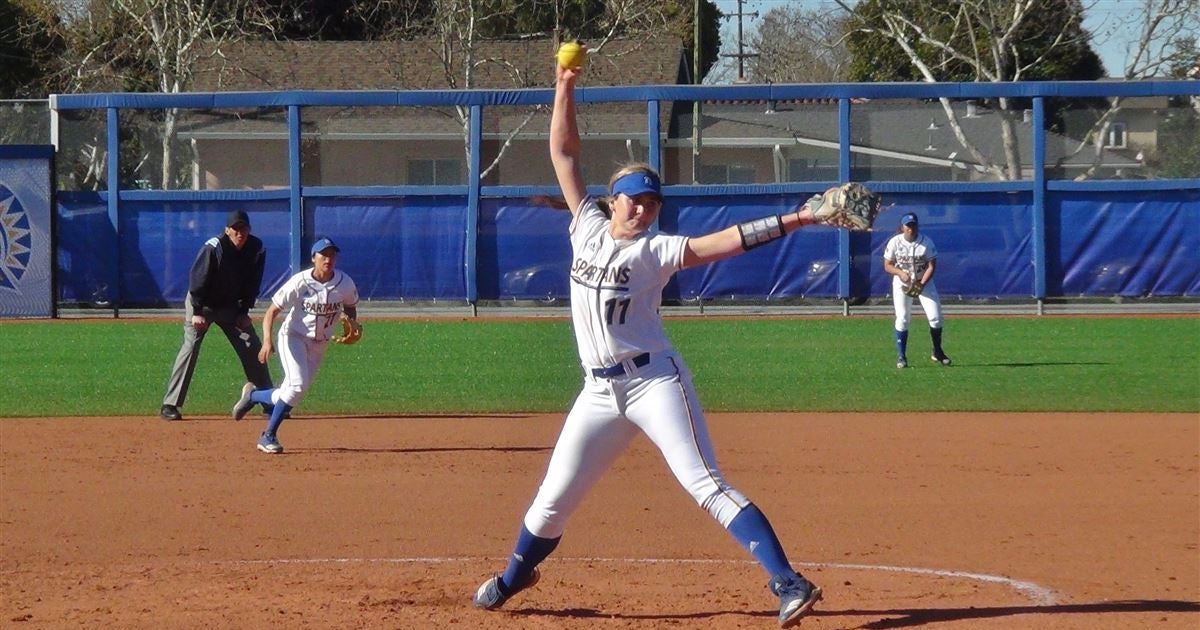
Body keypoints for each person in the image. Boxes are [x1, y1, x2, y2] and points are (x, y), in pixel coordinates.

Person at [471, 63, 858, 629]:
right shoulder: (585, 225)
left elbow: (724, 243)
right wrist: (564, 85)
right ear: (614, 199)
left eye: (651, 202)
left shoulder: (656, 251)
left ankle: (788, 582)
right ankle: (513, 578)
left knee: (704, 483)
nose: (642, 208)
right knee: (552, 502)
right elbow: (564, 154)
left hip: (655, 382)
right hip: (598, 393)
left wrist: (800, 216)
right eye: (633, 199)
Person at [232, 237, 358, 454]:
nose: (328, 259)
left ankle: (253, 396)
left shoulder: (344, 282)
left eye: (332, 255)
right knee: (297, 385)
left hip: (320, 344)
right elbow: (271, 311)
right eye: (323, 255)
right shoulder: (300, 282)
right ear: (313, 258)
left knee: (293, 391)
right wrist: (267, 341)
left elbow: (350, 306)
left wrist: (351, 326)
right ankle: (267, 436)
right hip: (294, 337)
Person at [160, 209, 273, 421]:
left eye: (244, 229)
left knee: (252, 345)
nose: (240, 233)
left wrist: (244, 311)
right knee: (191, 346)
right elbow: (197, 280)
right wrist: (196, 311)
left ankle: (269, 401)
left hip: (230, 306)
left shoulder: (256, 248)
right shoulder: (214, 247)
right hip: (202, 304)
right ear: (227, 230)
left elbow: (253, 283)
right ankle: (170, 404)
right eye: (236, 229)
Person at [883, 212, 952, 369]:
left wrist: (922, 283)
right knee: (903, 318)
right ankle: (901, 356)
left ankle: (937, 351)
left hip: (924, 282)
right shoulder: (895, 242)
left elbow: (931, 265)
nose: (911, 228)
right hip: (902, 284)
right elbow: (887, 265)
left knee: (936, 318)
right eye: (908, 225)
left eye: (913, 225)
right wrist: (900, 273)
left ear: (917, 226)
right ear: (902, 227)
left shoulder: (926, 242)